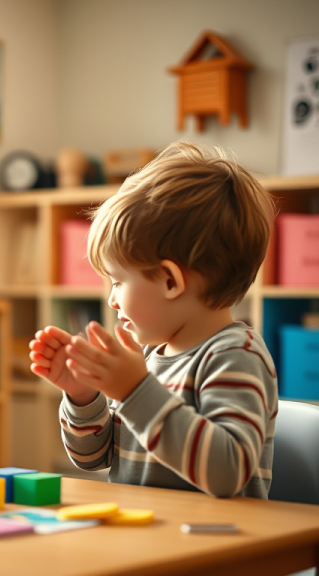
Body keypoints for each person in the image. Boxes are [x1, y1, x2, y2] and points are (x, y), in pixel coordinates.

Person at [29, 141, 278, 498]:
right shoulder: (147, 357)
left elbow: (228, 473)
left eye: (118, 281)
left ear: (170, 281)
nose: (112, 299)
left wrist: (134, 392)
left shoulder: (235, 355)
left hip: (215, 548)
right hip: (151, 540)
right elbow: (93, 459)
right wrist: (83, 396)